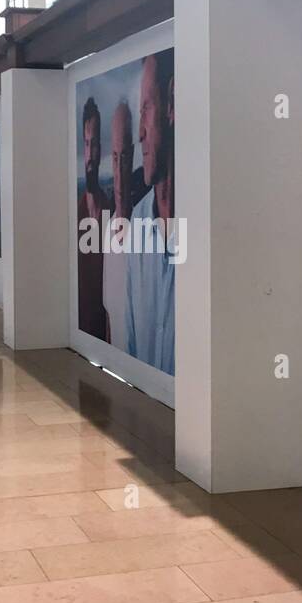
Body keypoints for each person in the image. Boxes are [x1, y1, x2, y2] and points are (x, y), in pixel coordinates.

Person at [126, 50, 176, 375]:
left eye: (146, 109)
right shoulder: (138, 219)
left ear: (172, 105)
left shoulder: (210, 221)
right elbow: (132, 342)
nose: (140, 133)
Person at [77, 98, 112, 340]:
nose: (91, 154)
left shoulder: (114, 210)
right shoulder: (73, 214)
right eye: (87, 144)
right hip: (81, 329)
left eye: (96, 144)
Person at [103, 100, 134, 352]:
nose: (120, 167)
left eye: (125, 156)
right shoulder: (109, 227)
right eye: (114, 157)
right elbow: (109, 312)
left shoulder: (148, 228)